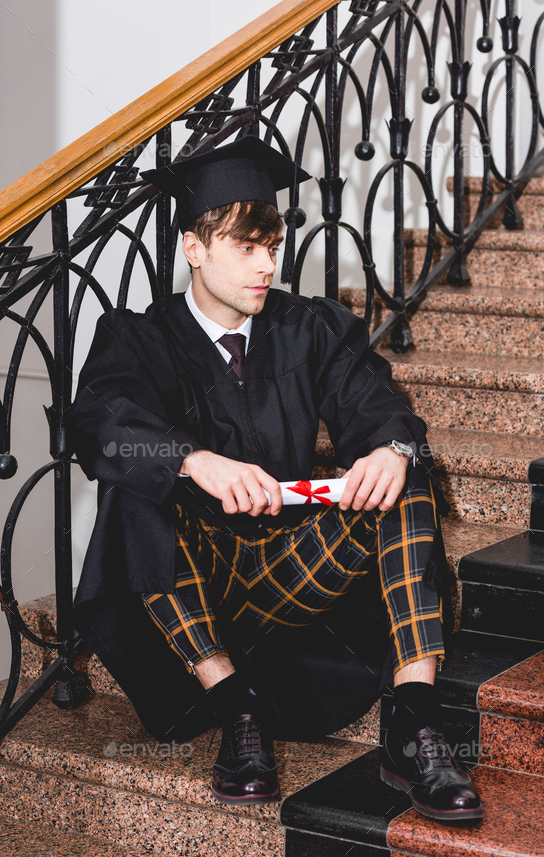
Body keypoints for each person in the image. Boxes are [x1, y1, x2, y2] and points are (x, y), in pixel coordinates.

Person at [70, 135, 483, 821]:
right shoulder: (138, 338)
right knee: (138, 482)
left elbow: (379, 408)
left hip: (293, 571)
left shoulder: (310, 329)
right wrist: (194, 460)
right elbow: (98, 421)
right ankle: (237, 711)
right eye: (246, 248)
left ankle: (413, 725)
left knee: (404, 472)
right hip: (197, 585)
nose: (267, 266)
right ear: (195, 249)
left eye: (273, 247)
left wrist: (386, 450)